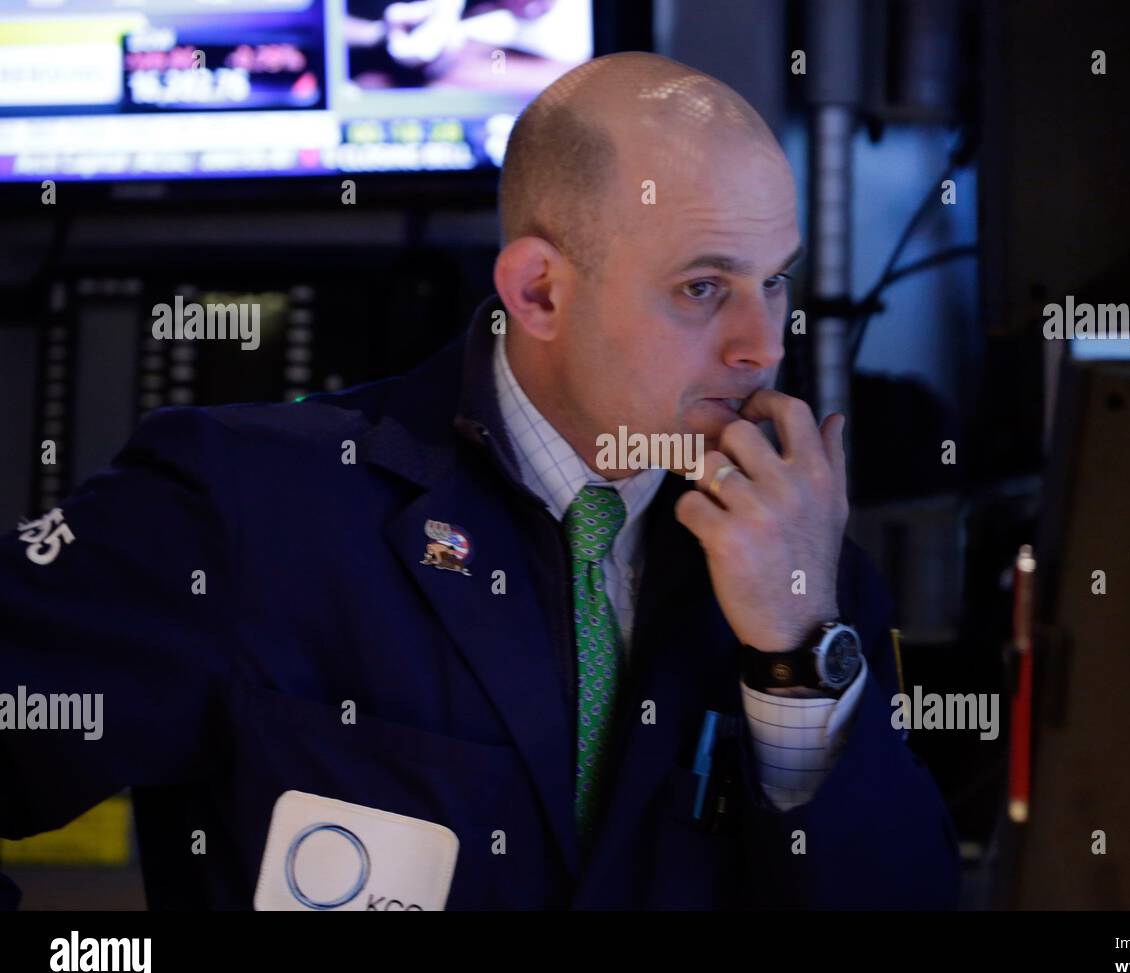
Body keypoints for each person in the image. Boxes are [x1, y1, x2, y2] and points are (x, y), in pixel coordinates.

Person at [0, 52, 959, 909]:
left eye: (776, 281)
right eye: (703, 289)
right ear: (538, 290)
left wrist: (796, 645)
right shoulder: (246, 506)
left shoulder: (796, 556)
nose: (761, 345)